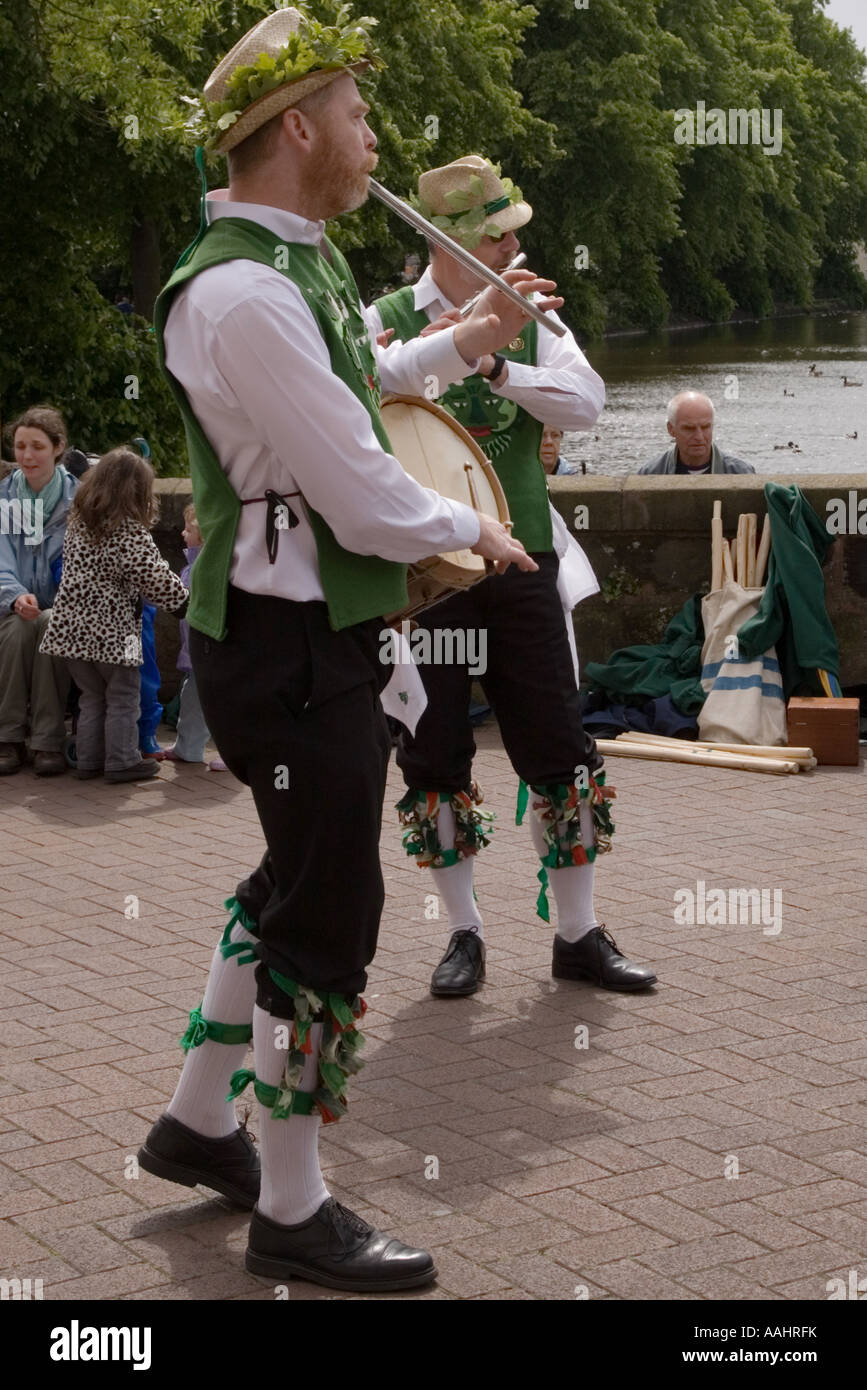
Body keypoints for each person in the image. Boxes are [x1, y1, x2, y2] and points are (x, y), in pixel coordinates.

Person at [139, 6, 539, 1294]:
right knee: (329, 914)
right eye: (358, 118)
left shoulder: (288, 265)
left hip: (305, 635)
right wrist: (475, 525)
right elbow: (364, 490)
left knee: (288, 881)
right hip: (290, 642)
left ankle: (201, 1127)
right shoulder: (243, 291)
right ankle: (294, 1209)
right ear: (298, 129)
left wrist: (462, 341)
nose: (372, 140)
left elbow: (355, 373)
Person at [370, 155, 657, 1001]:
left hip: (522, 558)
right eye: (500, 233)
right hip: (428, 580)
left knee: (559, 750)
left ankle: (577, 935)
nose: (516, 243)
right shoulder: (381, 319)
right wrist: (456, 342)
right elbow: (363, 402)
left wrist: (499, 361)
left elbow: (587, 404)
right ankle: (462, 933)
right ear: (449, 242)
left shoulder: (529, 310)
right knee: (433, 756)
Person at [39, 448, 188, 783]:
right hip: (117, 633)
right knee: (124, 694)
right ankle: (121, 760)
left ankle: (90, 761)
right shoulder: (128, 530)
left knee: (91, 698)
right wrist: (184, 604)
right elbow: (154, 576)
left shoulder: (78, 521)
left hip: (71, 631)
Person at [0, 405, 78, 776]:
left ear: (58, 447)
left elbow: (83, 563)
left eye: (37, 447)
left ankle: (47, 741)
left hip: (62, 608)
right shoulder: (6, 499)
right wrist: (15, 596)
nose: (27, 457)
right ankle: (8, 738)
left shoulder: (78, 501)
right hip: (9, 606)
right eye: (19, 447)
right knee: (19, 627)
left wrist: (61, 600)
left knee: (49, 623)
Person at [155, 504, 227, 769]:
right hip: (197, 651)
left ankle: (232, 753)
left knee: (220, 704)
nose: (183, 534)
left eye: (188, 529)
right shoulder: (194, 564)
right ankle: (189, 746)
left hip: (212, 651)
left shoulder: (210, 568)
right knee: (191, 699)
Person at [638, 391, 754, 474]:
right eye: (689, 428)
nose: (699, 437)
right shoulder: (650, 473)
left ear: (713, 426)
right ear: (671, 429)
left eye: (705, 427)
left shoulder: (741, 472)